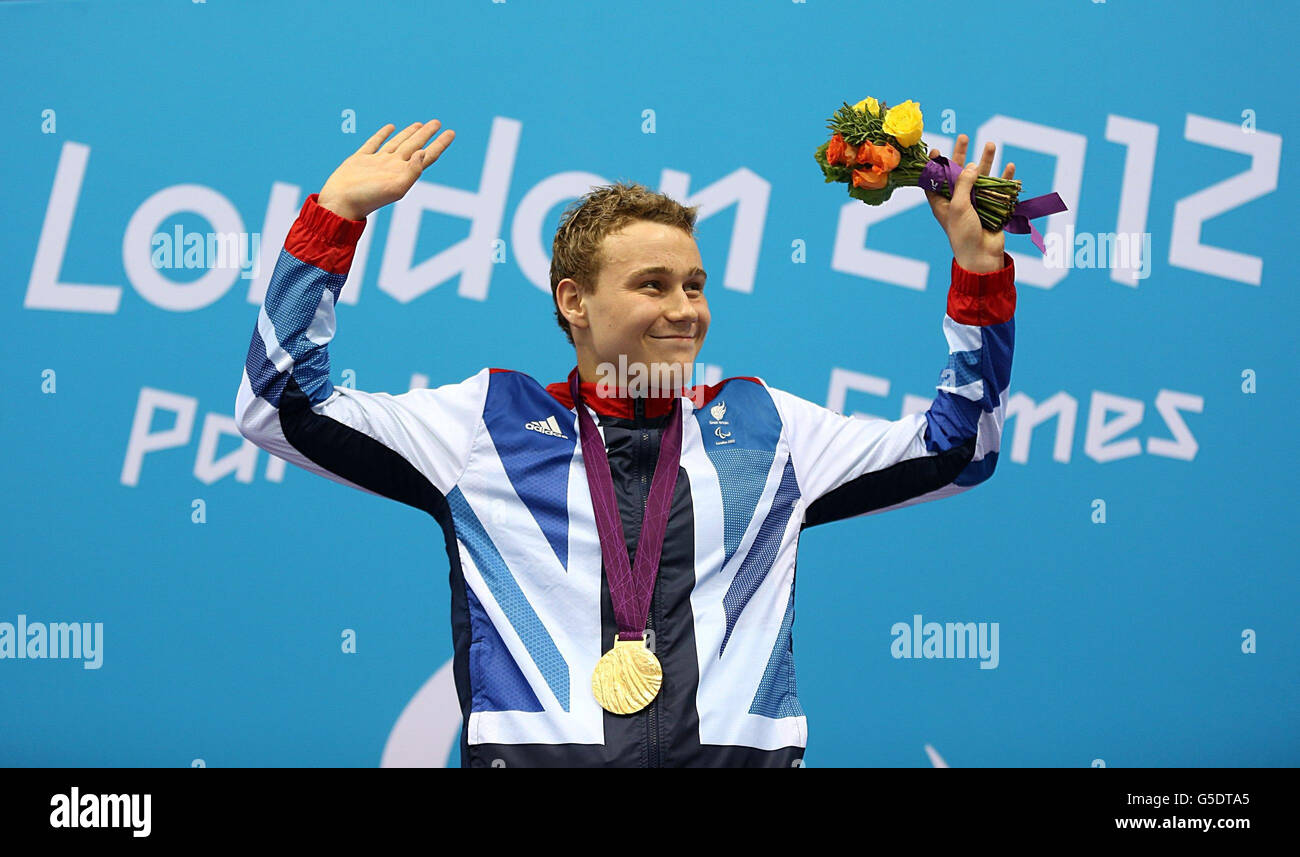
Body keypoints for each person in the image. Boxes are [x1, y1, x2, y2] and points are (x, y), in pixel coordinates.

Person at [234, 119, 1018, 767]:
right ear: (573, 300)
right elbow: (280, 404)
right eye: (653, 284)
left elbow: (959, 448)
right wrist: (332, 218)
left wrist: (979, 275)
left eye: (696, 284)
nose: (686, 308)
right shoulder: (486, 427)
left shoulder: (764, 428)